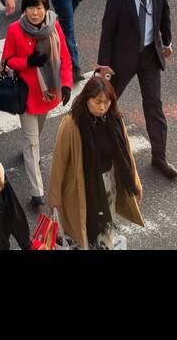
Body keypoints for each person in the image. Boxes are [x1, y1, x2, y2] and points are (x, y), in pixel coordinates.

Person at [96, 0, 177, 180]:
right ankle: (97, 148)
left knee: (154, 105)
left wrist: (167, 41)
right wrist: (104, 63)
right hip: (123, 59)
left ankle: (159, 156)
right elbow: (108, 31)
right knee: (105, 102)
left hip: (150, 55)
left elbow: (165, 16)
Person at [48, 73, 145, 250]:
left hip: (108, 183)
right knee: (83, 227)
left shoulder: (115, 119)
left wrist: (135, 184)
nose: (102, 108)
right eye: (97, 102)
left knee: (105, 226)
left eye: (106, 103)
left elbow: (127, 154)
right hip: (80, 186)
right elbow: (59, 162)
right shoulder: (71, 123)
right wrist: (54, 196)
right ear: (86, 99)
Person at [3, 0, 72, 208]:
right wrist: (27, 63)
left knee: (35, 135)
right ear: (24, 11)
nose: (35, 13)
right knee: (32, 143)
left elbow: (65, 57)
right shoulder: (15, 30)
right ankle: (36, 192)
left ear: (46, 9)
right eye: (31, 8)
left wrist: (67, 84)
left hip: (49, 93)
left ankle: (27, 149)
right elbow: (7, 60)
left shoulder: (54, 27)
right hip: (26, 95)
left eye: (39, 8)